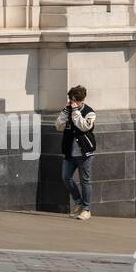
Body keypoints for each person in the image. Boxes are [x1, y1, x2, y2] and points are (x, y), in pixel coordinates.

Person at [55, 85, 97, 221]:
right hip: (69, 152)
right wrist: (65, 112)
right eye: (71, 99)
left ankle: (86, 209)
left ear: (81, 99)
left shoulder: (90, 112)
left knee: (85, 180)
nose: (73, 102)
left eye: (75, 100)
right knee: (66, 177)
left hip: (84, 153)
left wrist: (75, 112)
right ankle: (78, 202)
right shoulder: (67, 111)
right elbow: (58, 126)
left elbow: (84, 126)